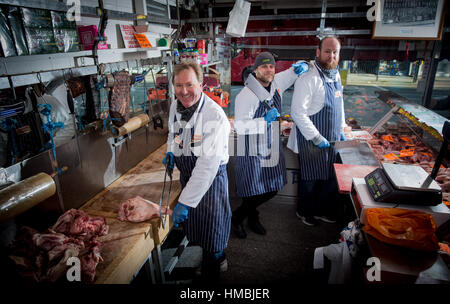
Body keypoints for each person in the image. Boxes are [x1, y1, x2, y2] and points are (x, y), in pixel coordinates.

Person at [163, 61, 231, 281]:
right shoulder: (176, 105)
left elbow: (206, 167)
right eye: (179, 85)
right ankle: (216, 258)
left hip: (210, 183)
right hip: (188, 176)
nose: (184, 91)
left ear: (201, 84)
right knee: (199, 233)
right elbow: (174, 131)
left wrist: (185, 201)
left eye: (190, 85)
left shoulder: (215, 117)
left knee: (212, 233)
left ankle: (213, 271)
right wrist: (171, 150)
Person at [232, 52, 309, 238]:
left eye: (272, 67)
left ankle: (247, 215)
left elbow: (293, 71)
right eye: (264, 66)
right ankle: (241, 218)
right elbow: (240, 126)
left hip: (270, 145)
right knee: (252, 189)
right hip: (250, 148)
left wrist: (302, 65)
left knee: (272, 187)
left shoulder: (276, 83)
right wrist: (264, 121)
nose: (269, 70)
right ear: (256, 69)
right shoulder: (246, 94)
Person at [287, 36, 347, 227]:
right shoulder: (309, 78)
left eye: (335, 52)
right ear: (318, 52)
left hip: (333, 137)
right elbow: (297, 112)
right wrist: (316, 137)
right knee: (311, 179)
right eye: (328, 51)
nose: (331, 56)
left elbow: (340, 104)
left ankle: (321, 211)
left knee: (329, 177)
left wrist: (342, 127)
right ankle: (304, 212)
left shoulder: (335, 74)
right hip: (312, 139)